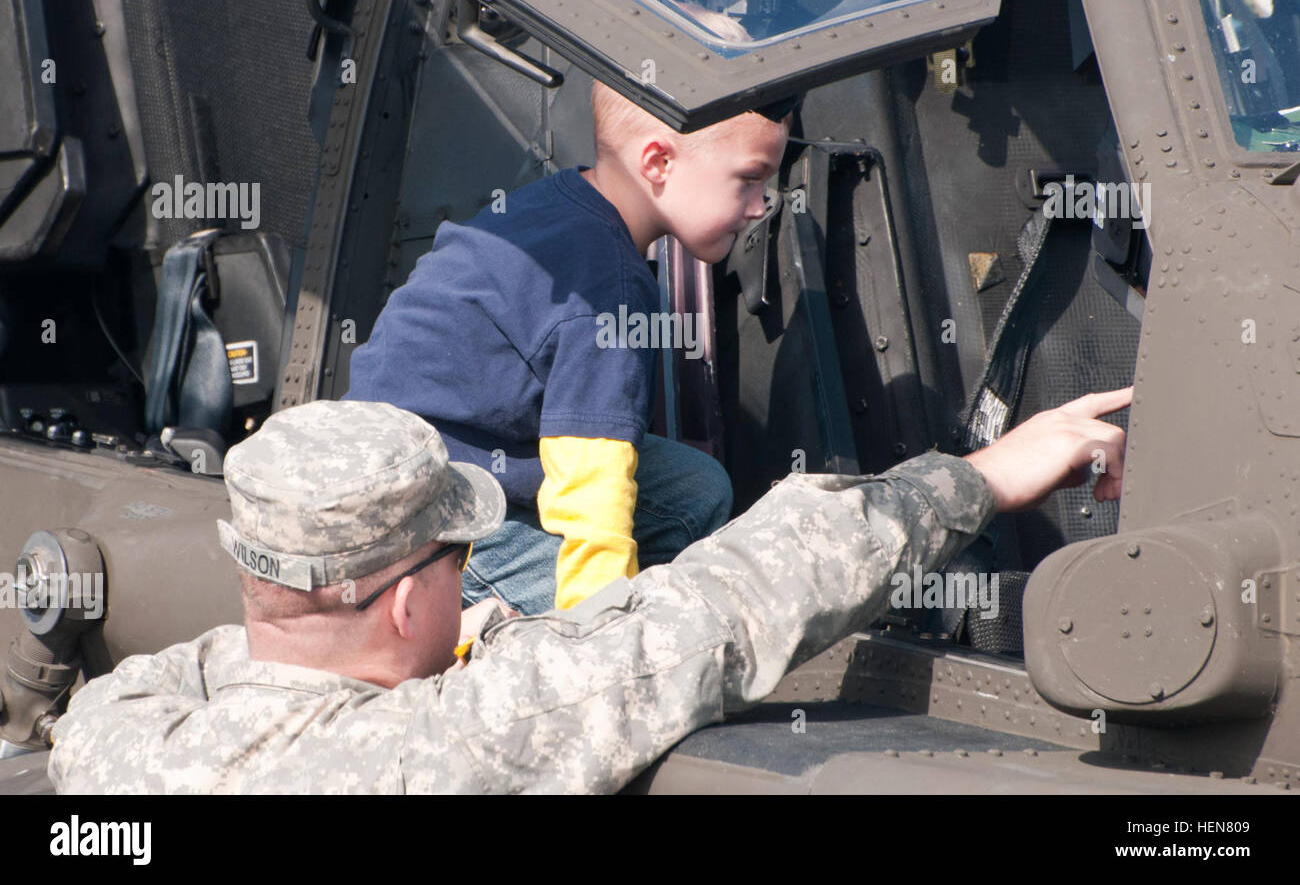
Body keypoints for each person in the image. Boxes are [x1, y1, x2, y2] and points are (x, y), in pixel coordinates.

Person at [48, 389, 1130, 794]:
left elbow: (208, 667)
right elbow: (712, 611)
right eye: (459, 558)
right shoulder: (439, 748)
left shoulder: (114, 733)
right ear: (395, 600)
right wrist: (972, 479)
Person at [344, 84, 792, 614]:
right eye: (749, 180)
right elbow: (591, 488)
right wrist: (598, 627)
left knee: (696, 489)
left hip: (425, 454)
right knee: (584, 600)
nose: (760, 205)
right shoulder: (608, 290)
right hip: (424, 512)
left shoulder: (563, 203)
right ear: (657, 162)